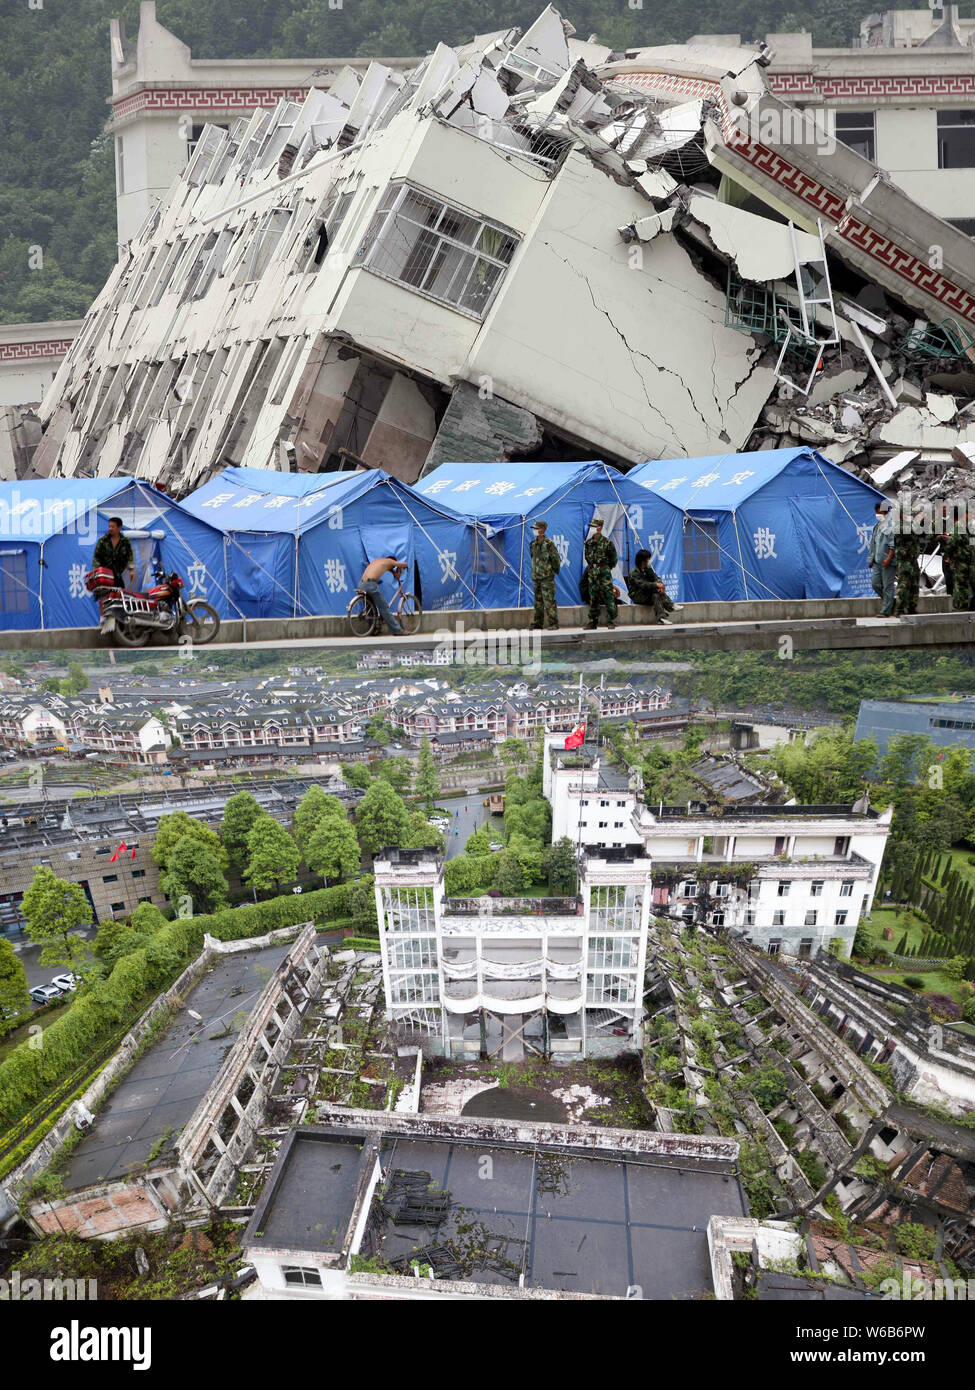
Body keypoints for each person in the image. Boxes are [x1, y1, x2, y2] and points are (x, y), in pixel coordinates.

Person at [625, 549, 679, 624]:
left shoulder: (648, 569)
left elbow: (655, 578)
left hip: (648, 594)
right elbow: (643, 584)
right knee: (654, 590)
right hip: (637, 595)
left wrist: (661, 585)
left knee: (656, 595)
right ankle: (670, 605)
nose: (649, 561)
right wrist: (656, 585)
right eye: (647, 559)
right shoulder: (634, 573)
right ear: (642, 560)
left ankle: (662, 618)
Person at [584, 517, 617, 629]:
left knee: (608, 595)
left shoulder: (607, 543)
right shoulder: (588, 543)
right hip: (592, 573)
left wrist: (605, 568)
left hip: (604, 573)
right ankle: (593, 621)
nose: (593, 528)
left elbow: (613, 560)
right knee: (593, 597)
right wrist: (594, 568)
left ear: (601, 527)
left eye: (595, 526)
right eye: (592, 526)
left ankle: (610, 620)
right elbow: (587, 559)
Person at [358, 556, 406, 635]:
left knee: (371, 607)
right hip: (370, 584)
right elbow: (403, 564)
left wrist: (394, 573)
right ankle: (397, 630)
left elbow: (388, 568)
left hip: (361, 584)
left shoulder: (377, 561)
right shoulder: (390, 561)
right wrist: (401, 568)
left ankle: (373, 629)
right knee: (384, 608)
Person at [528, 519, 561, 630]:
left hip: (546, 577)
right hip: (536, 577)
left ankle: (553, 623)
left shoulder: (549, 544)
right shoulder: (533, 544)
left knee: (549, 601)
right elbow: (532, 557)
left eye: (537, 529)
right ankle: (538, 623)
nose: (535, 531)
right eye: (534, 529)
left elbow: (556, 559)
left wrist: (552, 572)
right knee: (538, 601)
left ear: (543, 530)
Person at [867, 499, 895, 617]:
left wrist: (888, 558)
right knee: (875, 584)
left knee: (888, 586)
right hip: (877, 561)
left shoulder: (891, 526)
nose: (879, 515)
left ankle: (886, 611)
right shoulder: (877, 527)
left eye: (881, 513)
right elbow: (873, 544)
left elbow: (892, 545)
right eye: (878, 513)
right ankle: (890, 603)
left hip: (887, 562)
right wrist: (870, 559)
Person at [93, 516, 136, 590]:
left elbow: (129, 556)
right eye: (109, 526)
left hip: (117, 575)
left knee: (120, 595)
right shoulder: (103, 541)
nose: (110, 529)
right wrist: (97, 572)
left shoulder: (125, 541)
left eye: (113, 527)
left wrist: (131, 570)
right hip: (105, 575)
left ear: (119, 527)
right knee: (106, 597)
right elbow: (96, 557)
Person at [894, 506, 921, 617]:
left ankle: (911, 607)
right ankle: (900, 609)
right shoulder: (899, 526)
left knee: (914, 585)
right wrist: (918, 520)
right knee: (904, 585)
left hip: (912, 560)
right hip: (904, 562)